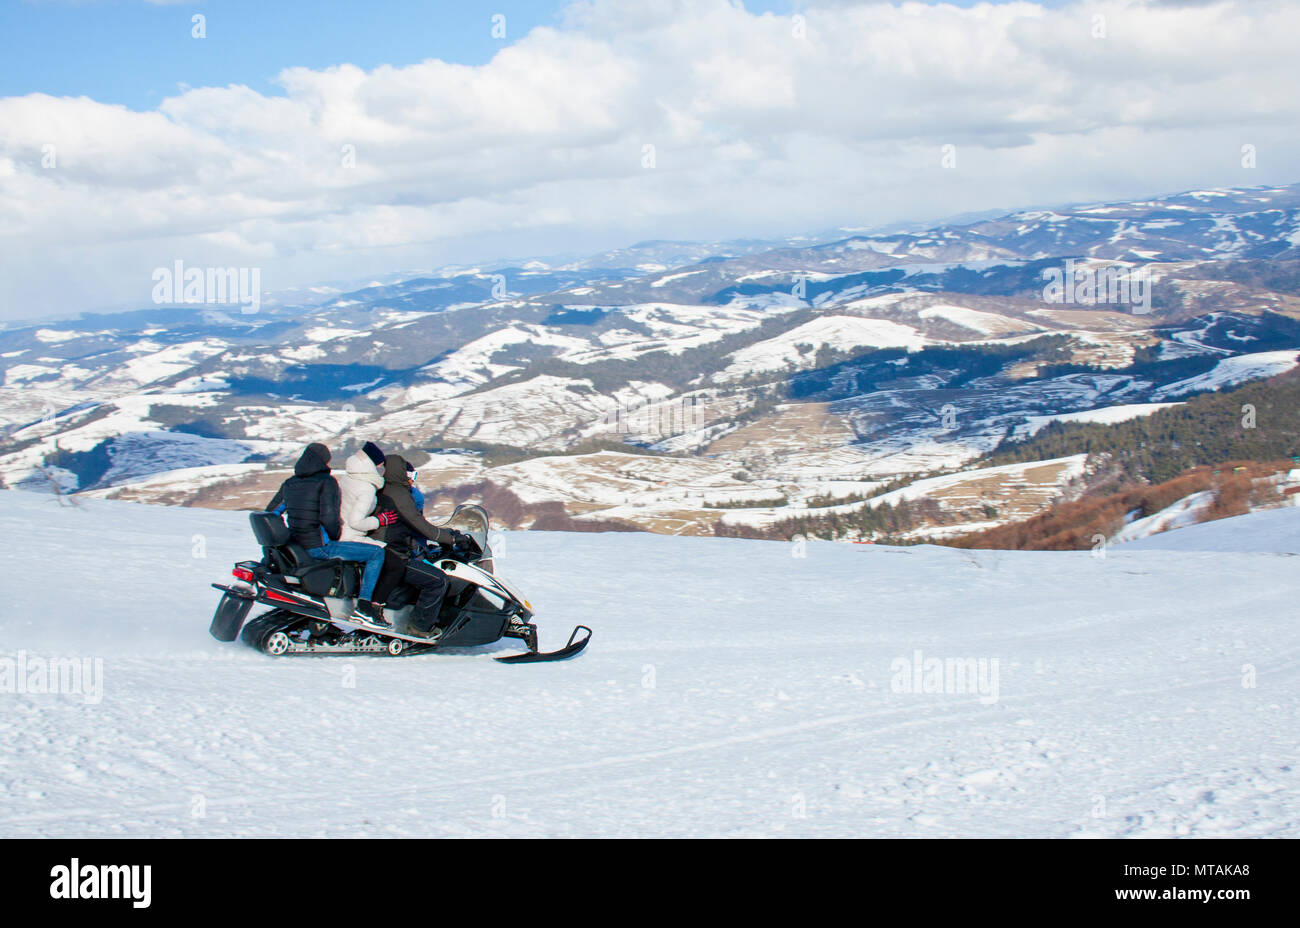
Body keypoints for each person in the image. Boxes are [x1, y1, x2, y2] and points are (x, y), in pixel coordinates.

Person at [265, 443, 386, 608]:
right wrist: (336, 535)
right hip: (318, 546)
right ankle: (364, 604)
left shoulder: (289, 483)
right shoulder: (327, 482)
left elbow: (271, 512)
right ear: (324, 462)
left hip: (294, 547)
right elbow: (329, 518)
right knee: (376, 554)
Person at [369, 453, 464, 639]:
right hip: (395, 552)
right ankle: (419, 627)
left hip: (388, 549)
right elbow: (419, 524)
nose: (410, 478)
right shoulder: (400, 494)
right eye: (408, 473)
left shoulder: (384, 490)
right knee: (438, 581)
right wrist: (450, 539)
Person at [336, 442, 398, 621]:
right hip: (351, 536)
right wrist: (380, 520)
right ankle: (366, 605)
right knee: (389, 559)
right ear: (371, 465)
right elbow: (356, 522)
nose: (380, 470)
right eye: (379, 466)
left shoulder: (347, 477)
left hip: (339, 533)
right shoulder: (366, 487)